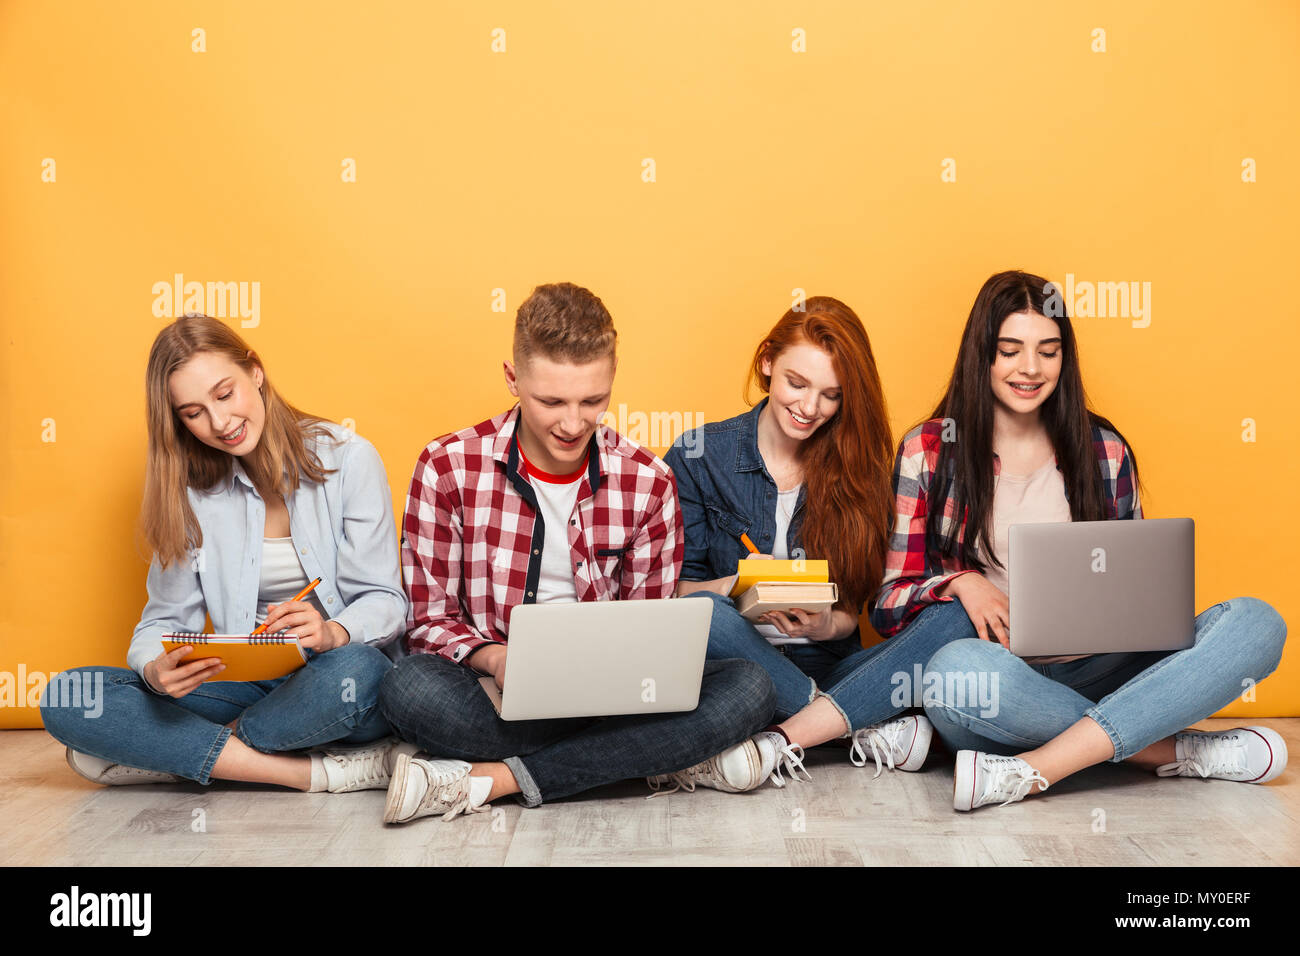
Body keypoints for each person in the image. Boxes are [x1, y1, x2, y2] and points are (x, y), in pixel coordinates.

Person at [873, 270, 1288, 811]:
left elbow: (1143, 595)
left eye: (1048, 351)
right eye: (1010, 350)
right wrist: (961, 583)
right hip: (1007, 684)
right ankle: (1175, 750)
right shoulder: (927, 449)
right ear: (982, 355)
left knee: (1258, 623)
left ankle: (1033, 769)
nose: (1030, 369)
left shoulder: (1105, 450)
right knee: (954, 675)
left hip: (1111, 671)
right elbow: (886, 606)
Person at [377, 282, 777, 823]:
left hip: (614, 697)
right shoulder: (447, 465)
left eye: (593, 401)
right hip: (494, 691)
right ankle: (658, 757)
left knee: (751, 688)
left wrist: (625, 683)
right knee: (407, 687)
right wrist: (493, 657)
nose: (572, 424)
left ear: (612, 379)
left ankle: (494, 779)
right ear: (512, 378)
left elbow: (651, 633)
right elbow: (429, 621)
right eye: (551, 401)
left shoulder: (648, 481)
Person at [40, 315, 412, 794]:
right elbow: (161, 622)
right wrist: (156, 669)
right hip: (242, 689)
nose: (220, 423)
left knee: (361, 672)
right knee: (69, 696)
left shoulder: (349, 459)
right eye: (193, 413)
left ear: (254, 372)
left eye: (224, 394)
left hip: (332, 681)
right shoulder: (188, 491)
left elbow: (385, 599)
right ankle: (308, 773)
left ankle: (175, 755)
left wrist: (331, 631)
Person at [665, 297, 960, 785]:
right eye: (796, 383)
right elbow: (669, 595)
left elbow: (855, 613)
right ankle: (850, 727)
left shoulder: (861, 469)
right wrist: (737, 586)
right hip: (734, 668)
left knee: (950, 618)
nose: (808, 407)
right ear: (766, 363)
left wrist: (826, 625)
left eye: (830, 395)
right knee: (708, 616)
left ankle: (797, 728)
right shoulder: (699, 456)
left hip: (829, 666)